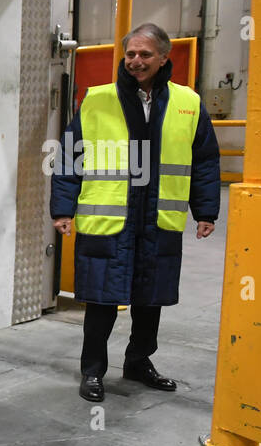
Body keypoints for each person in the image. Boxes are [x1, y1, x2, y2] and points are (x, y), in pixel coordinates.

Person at [51, 22, 220, 402]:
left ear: (163, 58)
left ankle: (139, 362)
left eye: (145, 54)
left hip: (159, 218)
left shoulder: (188, 104)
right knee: (102, 300)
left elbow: (205, 160)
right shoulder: (97, 99)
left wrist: (205, 210)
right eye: (130, 54)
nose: (136, 61)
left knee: (150, 298)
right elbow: (69, 157)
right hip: (108, 220)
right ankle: (92, 371)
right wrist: (63, 208)